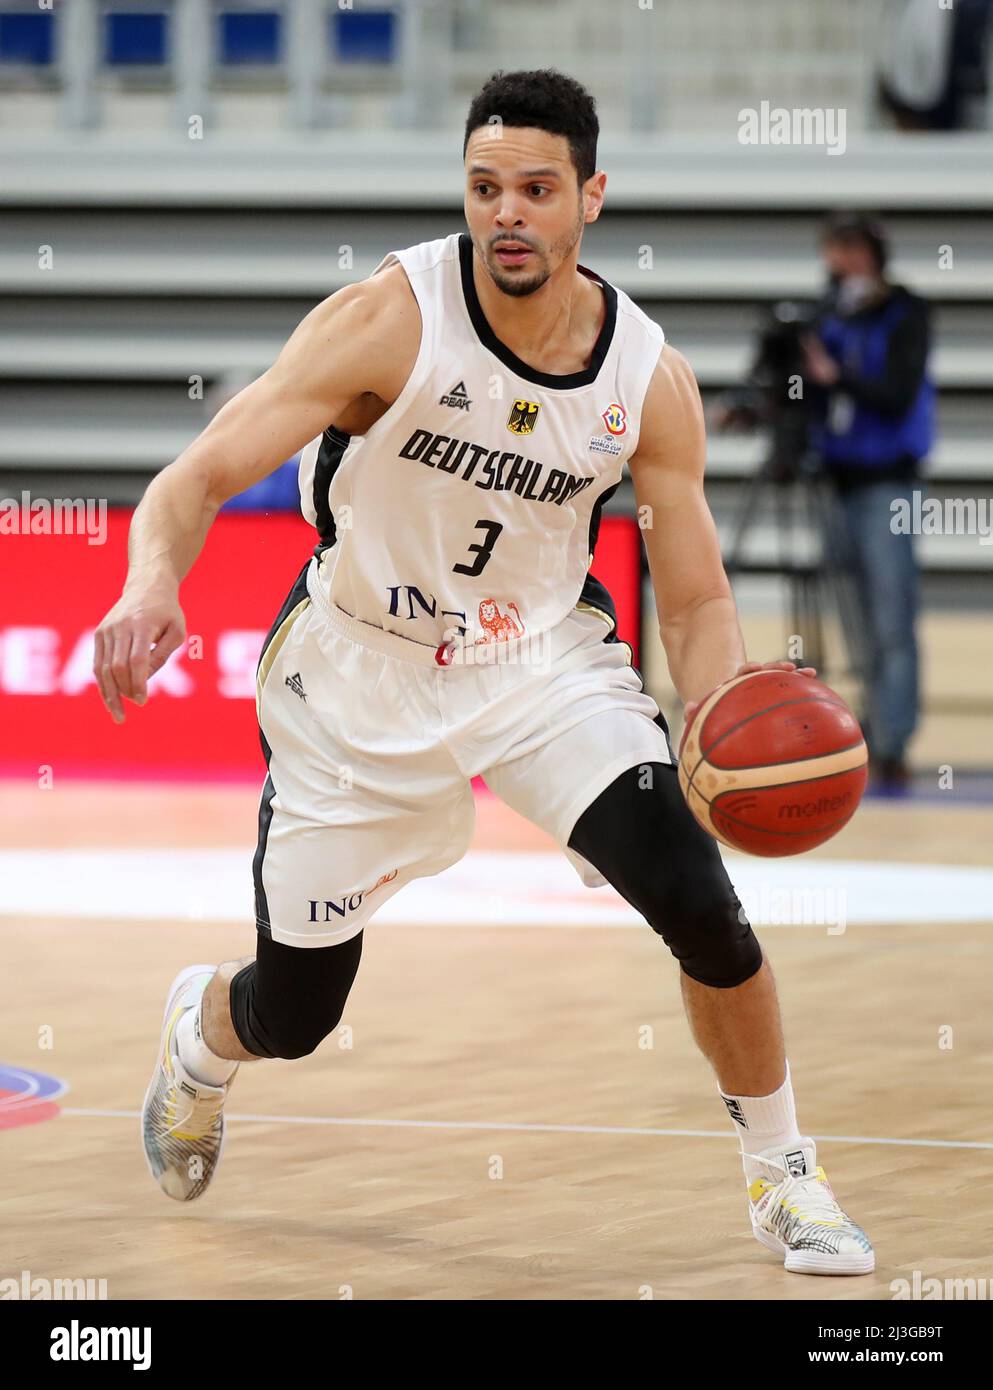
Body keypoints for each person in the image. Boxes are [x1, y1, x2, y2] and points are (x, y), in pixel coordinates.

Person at [94, 69, 874, 1275]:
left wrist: (716, 707)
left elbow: (703, 591)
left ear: (591, 199)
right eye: (484, 188)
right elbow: (193, 477)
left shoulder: (643, 378)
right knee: (295, 1015)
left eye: (537, 189)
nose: (507, 212)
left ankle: (785, 1175)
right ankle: (202, 1042)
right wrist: (153, 584)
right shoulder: (387, 321)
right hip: (360, 672)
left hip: (539, 660)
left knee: (698, 900)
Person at [804, 212, 935, 789]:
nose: (840, 264)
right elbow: (806, 387)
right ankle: (868, 727)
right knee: (854, 618)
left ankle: (893, 739)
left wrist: (836, 376)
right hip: (837, 481)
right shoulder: (828, 315)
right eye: (835, 252)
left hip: (888, 484)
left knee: (890, 616)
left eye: (851, 251)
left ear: (874, 256)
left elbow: (896, 393)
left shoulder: (906, 314)